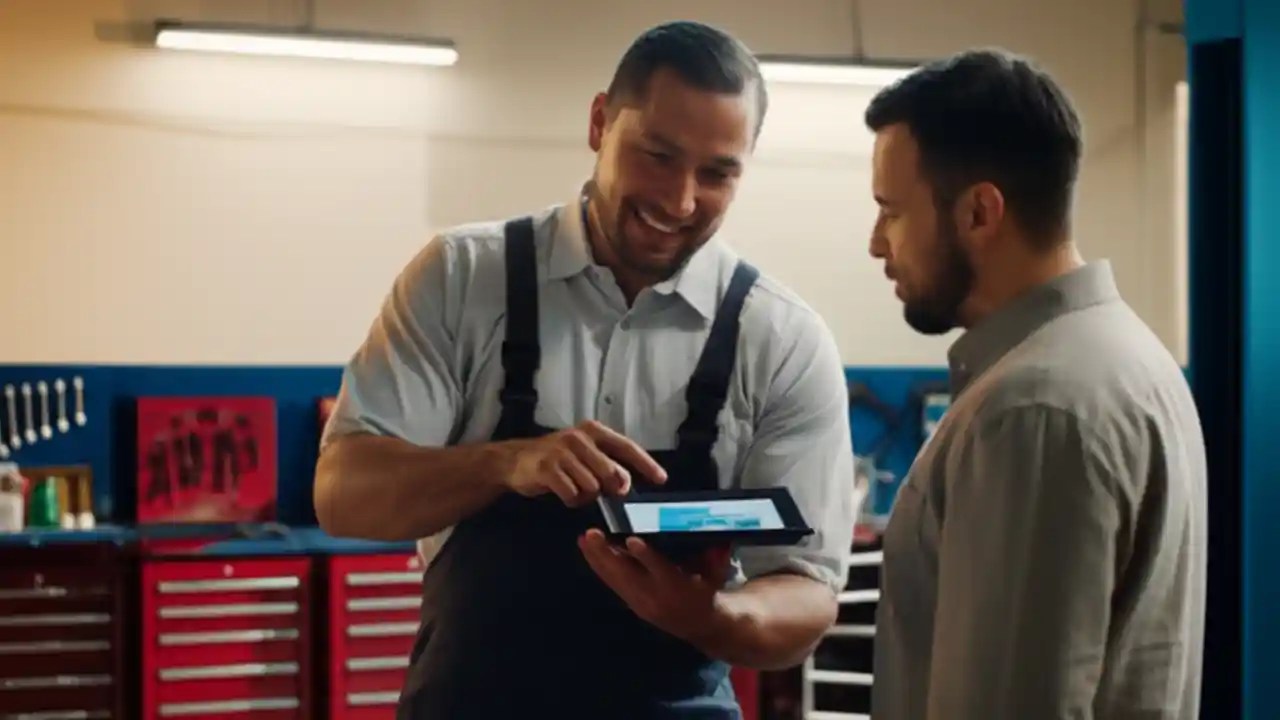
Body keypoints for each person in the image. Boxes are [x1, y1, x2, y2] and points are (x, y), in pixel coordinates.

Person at [315, 20, 856, 719]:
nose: (681, 200)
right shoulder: (460, 279)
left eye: (717, 173)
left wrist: (712, 618)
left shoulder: (781, 338)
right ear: (600, 122)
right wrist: (502, 464)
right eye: (658, 155)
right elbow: (342, 495)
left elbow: (807, 591)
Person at [864, 48, 1207, 720]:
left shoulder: (1032, 410)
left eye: (892, 212)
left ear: (980, 213)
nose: (877, 243)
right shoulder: (1128, 357)